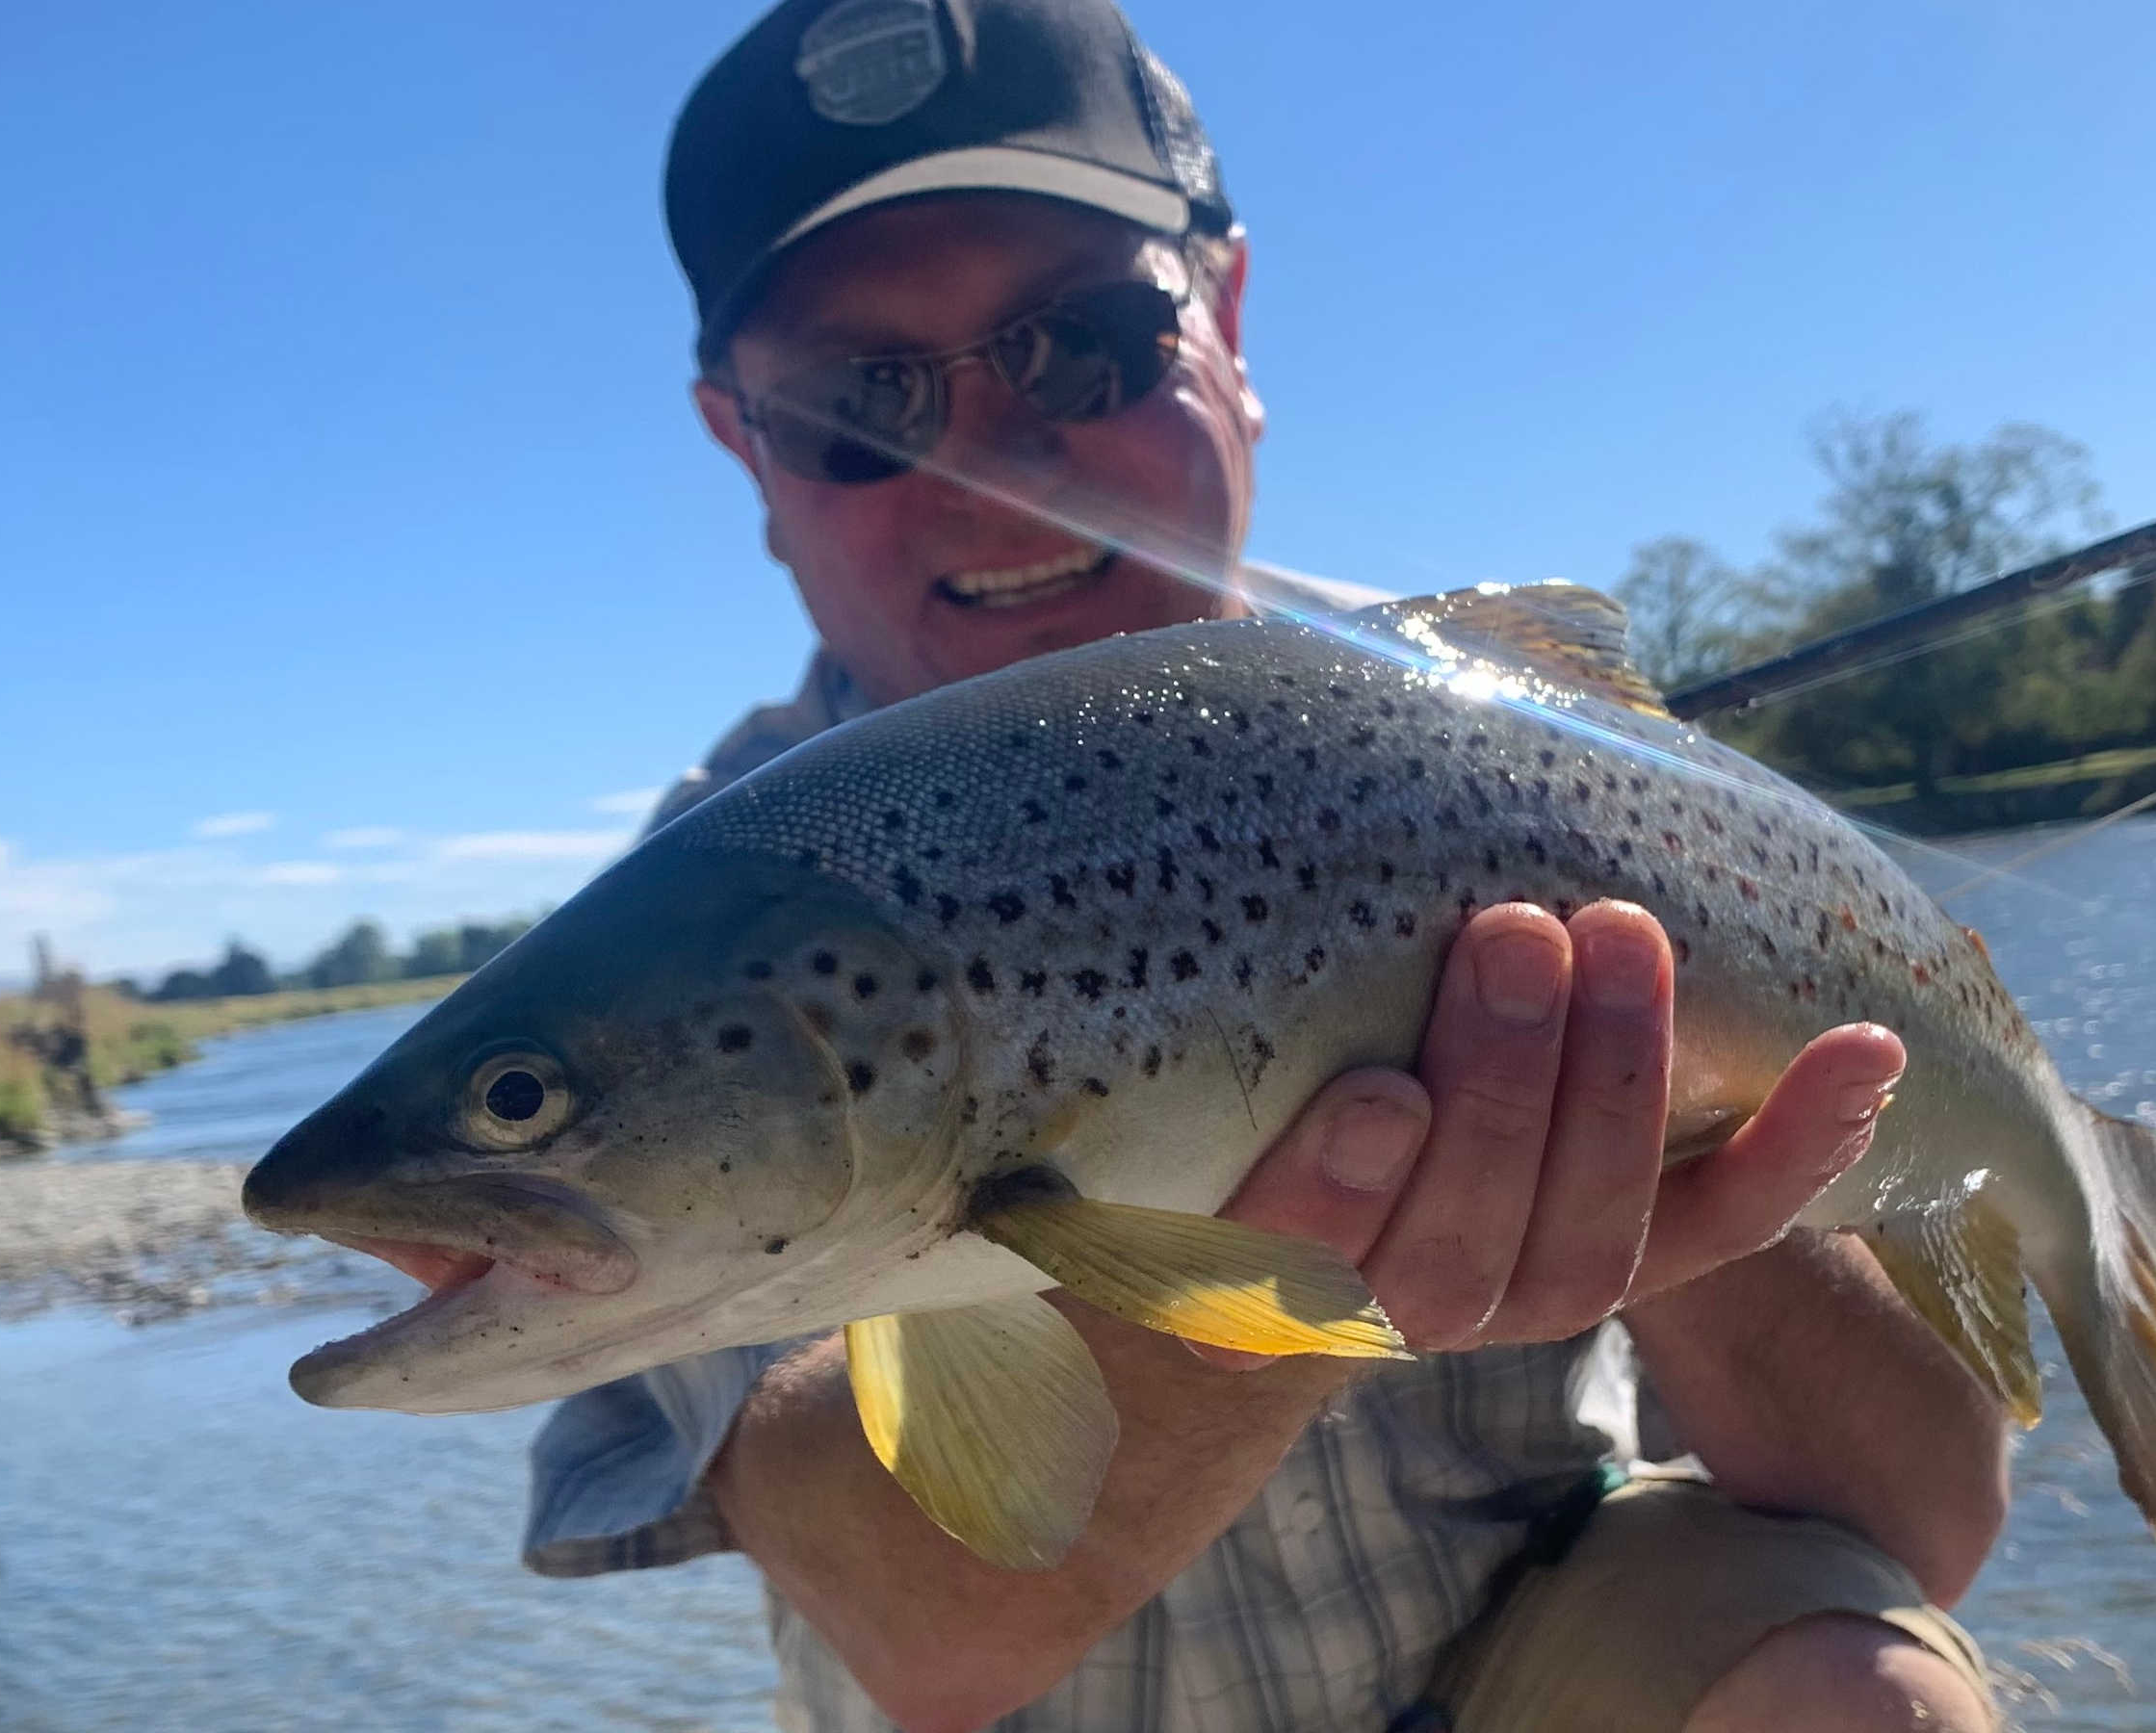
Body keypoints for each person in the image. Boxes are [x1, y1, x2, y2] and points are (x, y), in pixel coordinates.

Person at [522, 3, 2010, 1727]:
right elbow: (928, 1642)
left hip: (1544, 1650)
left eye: (1083, 345)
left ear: (1223, 322)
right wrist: (1266, 1280)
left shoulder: (1548, 772)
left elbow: (1929, 1523)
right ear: (742, 447)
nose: (992, 466)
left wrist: (1661, 1083)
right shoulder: (689, 956)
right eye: (864, 403)